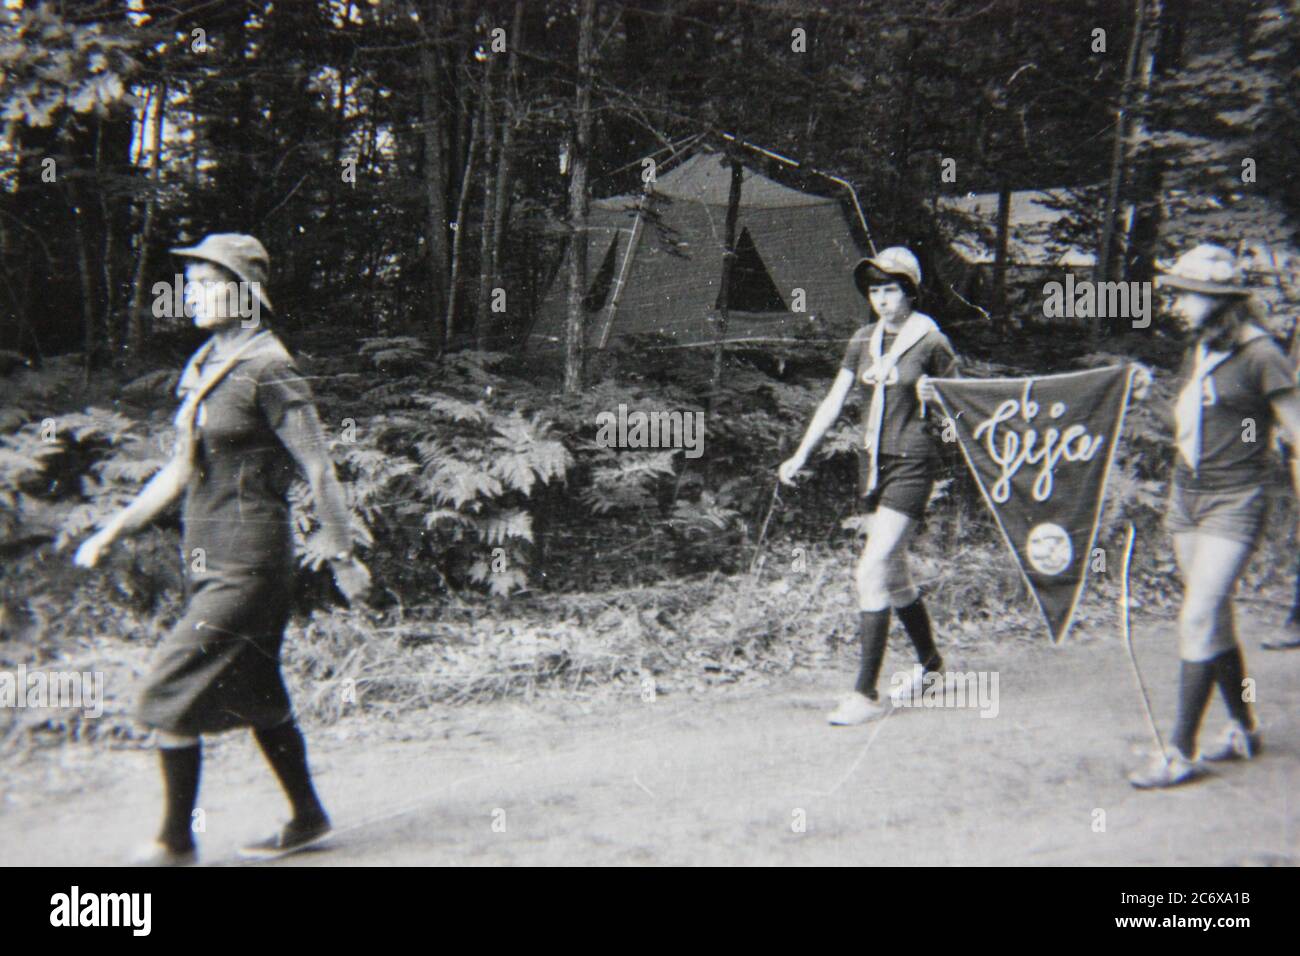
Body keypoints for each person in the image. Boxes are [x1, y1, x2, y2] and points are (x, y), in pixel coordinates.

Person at [74, 233, 371, 861]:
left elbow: (318, 469)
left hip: (252, 560)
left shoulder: (269, 368)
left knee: (165, 690)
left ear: (246, 294)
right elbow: (178, 473)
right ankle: (309, 818)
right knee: (259, 690)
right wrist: (114, 527)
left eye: (207, 283)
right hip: (210, 555)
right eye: (191, 283)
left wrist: (342, 554)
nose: (191, 295)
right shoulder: (210, 363)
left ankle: (175, 843)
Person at [1130, 243, 1300, 788]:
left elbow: (1297, 432)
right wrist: (1144, 387)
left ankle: (1180, 751)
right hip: (1188, 496)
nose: (1177, 301)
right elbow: (1193, 418)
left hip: (1238, 499)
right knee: (1215, 616)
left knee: (1198, 617)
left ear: (1217, 299)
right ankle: (1245, 726)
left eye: (1186, 293)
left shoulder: (1261, 354)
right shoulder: (1203, 346)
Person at [778, 246, 957, 725]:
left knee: (870, 570)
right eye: (875, 290)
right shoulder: (862, 339)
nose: (882, 299)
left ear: (910, 291)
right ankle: (932, 665)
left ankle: (865, 694)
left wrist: (937, 401)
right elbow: (834, 401)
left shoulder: (931, 342)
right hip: (873, 465)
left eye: (891, 289)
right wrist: (801, 453)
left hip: (914, 463)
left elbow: (959, 419)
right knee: (894, 574)